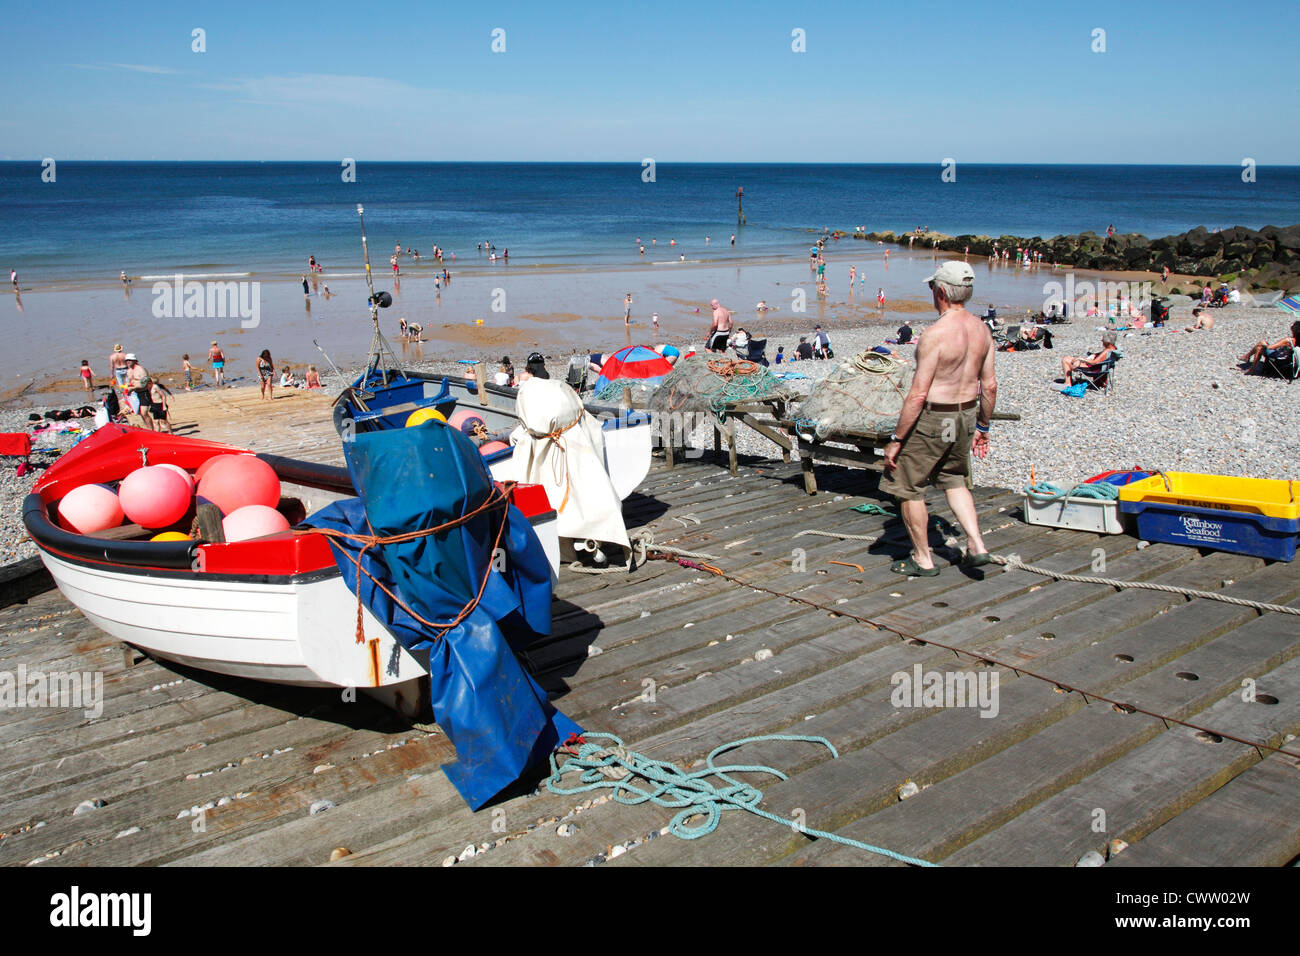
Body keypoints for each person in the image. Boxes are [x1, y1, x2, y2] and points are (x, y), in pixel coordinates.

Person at [880, 260, 995, 576]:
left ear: (941, 291)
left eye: (932, 287)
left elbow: (918, 394)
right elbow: (990, 385)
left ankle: (922, 558)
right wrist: (983, 427)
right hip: (965, 415)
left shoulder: (935, 334)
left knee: (908, 486)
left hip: (935, 417)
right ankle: (976, 545)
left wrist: (897, 440)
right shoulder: (983, 330)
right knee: (954, 479)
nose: (932, 292)